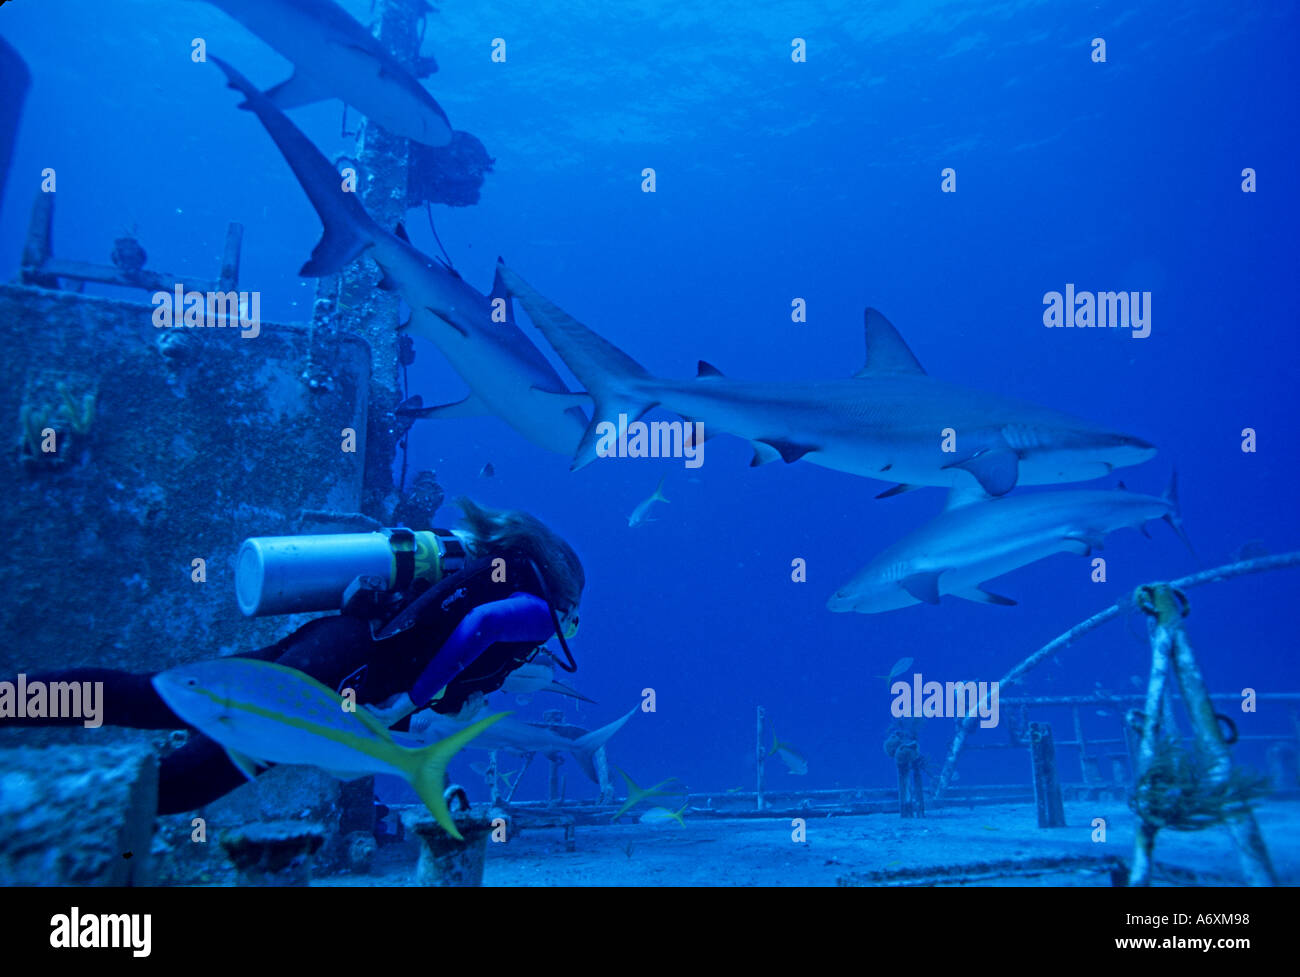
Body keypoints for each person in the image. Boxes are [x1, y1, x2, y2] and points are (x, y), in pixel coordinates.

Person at [3, 498, 583, 814]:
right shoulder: (533, 607)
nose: (568, 629)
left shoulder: (488, 575)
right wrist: (412, 698)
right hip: (336, 680)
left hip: (332, 645)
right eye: (574, 616)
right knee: (184, 782)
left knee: (155, 697)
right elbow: (481, 626)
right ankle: (35, 808)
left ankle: (14, 700)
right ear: (562, 588)